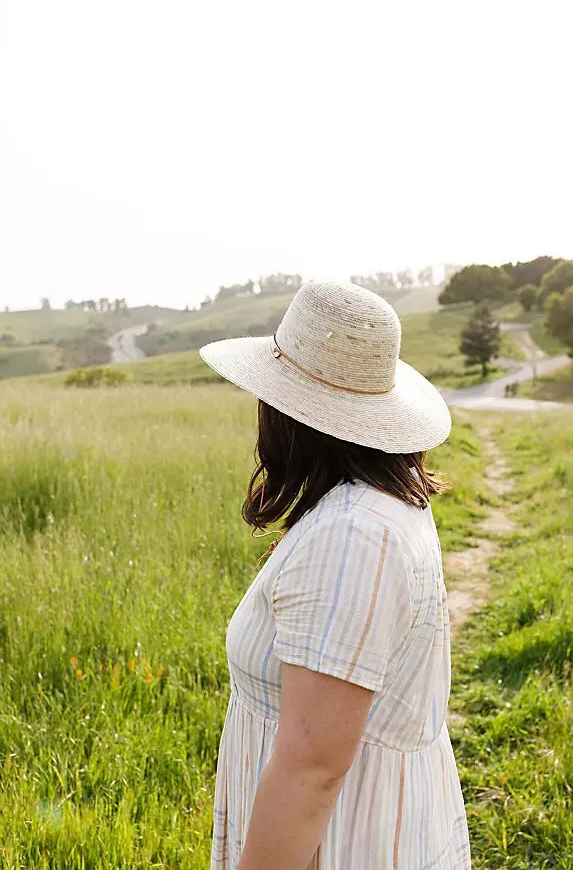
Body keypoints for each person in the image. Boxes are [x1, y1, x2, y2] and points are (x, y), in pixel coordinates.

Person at [200, 281, 471, 869]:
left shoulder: (353, 536)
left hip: (346, 844)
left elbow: (312, 769)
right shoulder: (376, 506)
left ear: (288, 414)